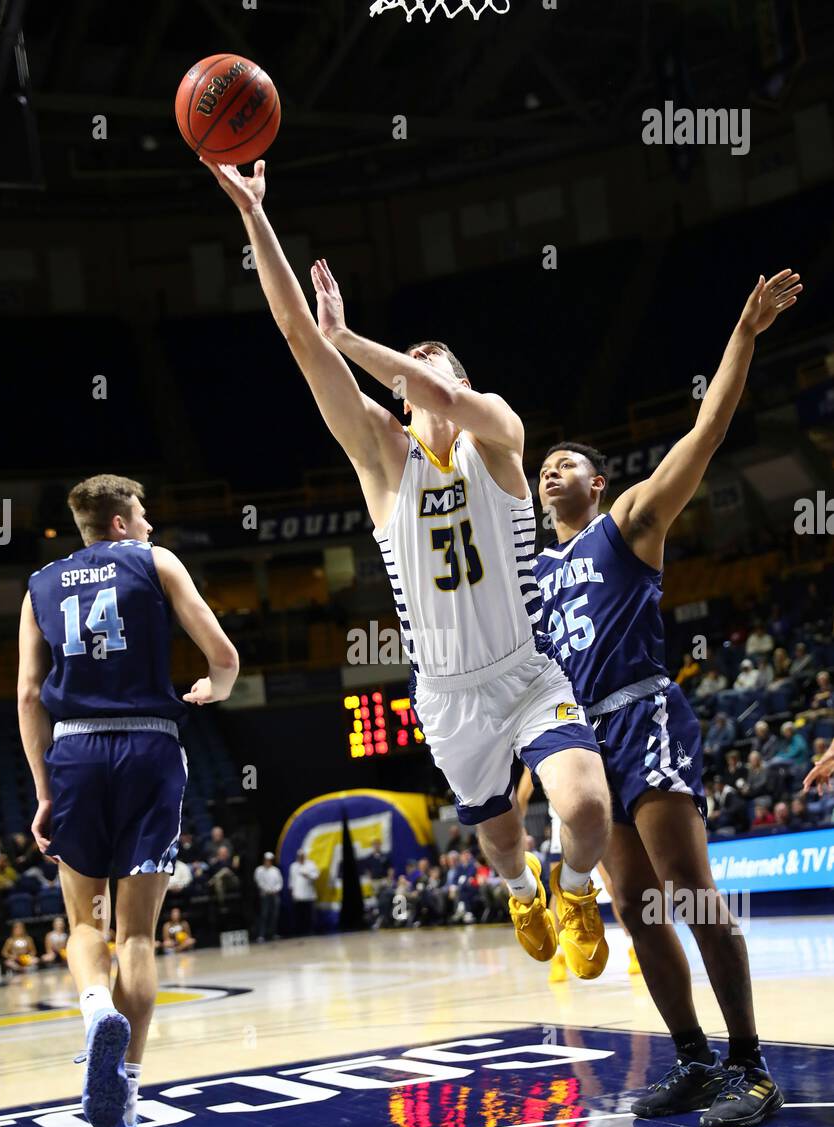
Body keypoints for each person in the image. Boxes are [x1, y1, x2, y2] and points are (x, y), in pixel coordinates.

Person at [203, 156, 613, 978]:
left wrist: (350, 337)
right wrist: (253, 214)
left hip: (528, 672)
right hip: (447, 693)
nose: (424, 368)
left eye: (436, 360)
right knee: (498, 838)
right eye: (413, 366)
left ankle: (573, 889)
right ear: (397, 400)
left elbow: (438, 393)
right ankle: (522, 888)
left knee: (587, 808)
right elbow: (296, 339)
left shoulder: (497, 432)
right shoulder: (384, 463)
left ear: (456, 381)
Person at [529, 268, 800, 1127]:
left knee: (688, 890)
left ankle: (750, 1066)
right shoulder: (531, 578)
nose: (548, 472)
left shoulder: (632, 521)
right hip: (581, 739)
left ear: (599, 484)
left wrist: (745, 333)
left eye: (564, 462)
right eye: (542, 467)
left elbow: (708, 428)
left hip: (643, 711)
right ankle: (690, 1060)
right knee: (638, 909)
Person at [17, 472, 238, 1127]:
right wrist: (214, 688)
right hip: (149, 745)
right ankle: (122, 1124)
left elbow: (27, 694)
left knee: (85, 924)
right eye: (141, 515)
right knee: (136, 935)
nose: (147, 526)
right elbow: (224, 656)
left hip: (76, 747)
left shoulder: (38, 583)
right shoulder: (157, 561)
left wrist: (44, 789)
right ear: (119, 524)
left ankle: (92, 1009)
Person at [288, 849, 319, 936]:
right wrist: (291, 892)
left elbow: (316, 875)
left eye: (302, 856)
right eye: (299, 856)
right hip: (298, 895)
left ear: (305, 856)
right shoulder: (293, 866)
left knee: (309, 915)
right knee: (299, 915)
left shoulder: (310, 864)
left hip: (309, 895)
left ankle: (310, 931)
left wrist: (308, 875)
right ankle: (299, 931)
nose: (301, 858)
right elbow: (291, 881)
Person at [254, 851, 283, 942]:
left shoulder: (275, 870)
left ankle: (273, 933)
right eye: (267, 860)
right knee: (264, 914)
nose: (268, 862)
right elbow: (259, 882)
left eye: (270, 860)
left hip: (274, 895)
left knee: (274, 915)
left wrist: (275, 890)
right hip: (265, 895)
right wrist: (267, 890)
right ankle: (261, 934)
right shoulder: (259, 870)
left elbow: (280, 882)